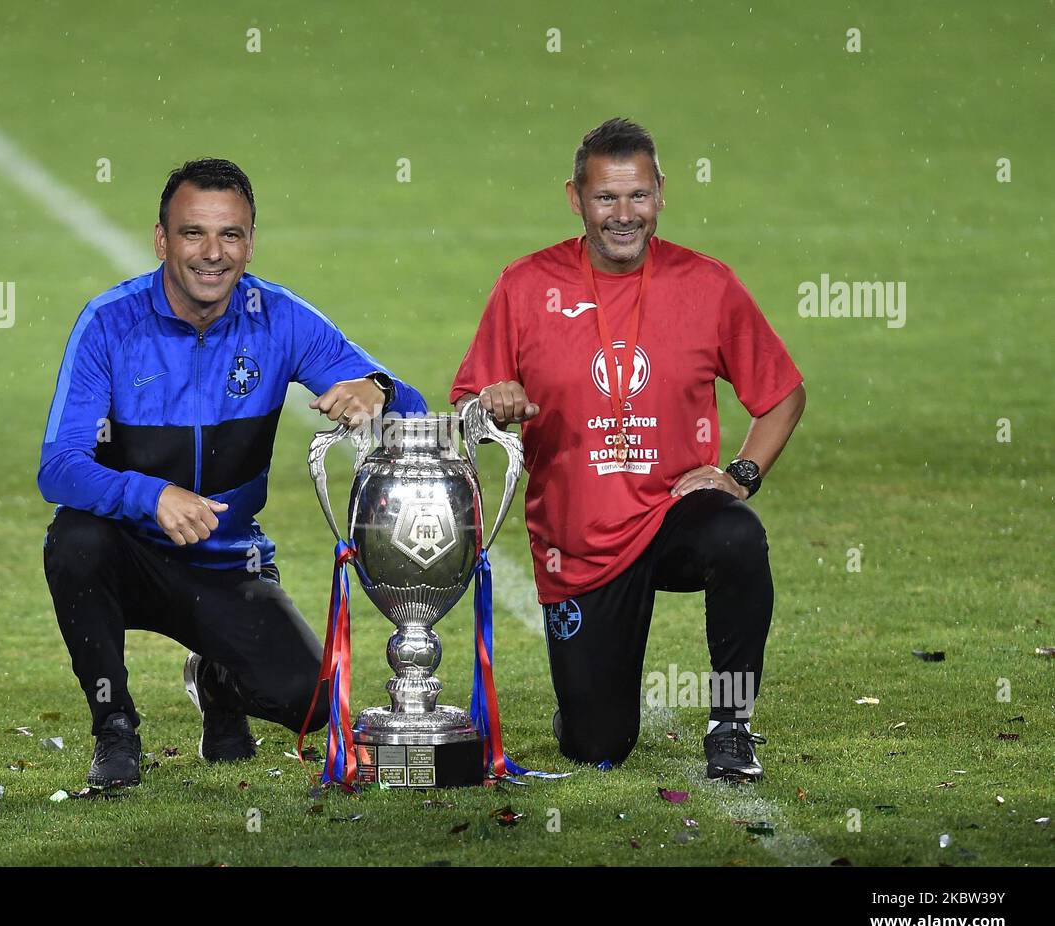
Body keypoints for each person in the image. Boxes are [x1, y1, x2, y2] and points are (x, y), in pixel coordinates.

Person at [39, 158, 426, 787]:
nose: (213, 253)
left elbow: (410, 405)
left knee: (310, 699)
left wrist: (376, 390)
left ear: (251, 241)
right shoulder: (108, 323)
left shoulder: (280, 317)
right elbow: (58, 468)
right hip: (129, 554)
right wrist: (151, 495)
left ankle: (217, 679)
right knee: (75, 541)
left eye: (231, 235)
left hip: (229, 566)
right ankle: (114, 728)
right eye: (193, 233)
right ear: (161, 240)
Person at [450, 119, 805, 780]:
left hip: (673, 513)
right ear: (575, 198)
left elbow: (782, 393)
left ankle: (731, 726)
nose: (623, 214)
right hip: (576, 541)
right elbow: (468, 408)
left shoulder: (707, 285)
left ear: (662, 195)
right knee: (598, 745)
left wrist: (743, 474)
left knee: (736, 537)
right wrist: (489, 403)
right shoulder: (527, 286)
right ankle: (582, 704)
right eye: (606, 198)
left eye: (637, 195)